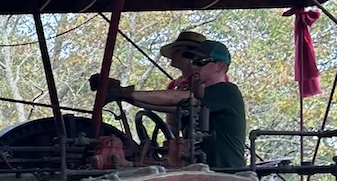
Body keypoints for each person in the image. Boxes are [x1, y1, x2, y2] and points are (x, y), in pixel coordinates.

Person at [95, 35, 248, 171]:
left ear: (220, 66)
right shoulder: (196, 96)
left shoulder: (226, 91)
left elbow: (175, 98)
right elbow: (168, 106)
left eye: (201, 62)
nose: (194, 66)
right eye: (194, 61)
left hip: (226, 171)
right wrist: (126, 97)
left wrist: (126, 93)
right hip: (203, 170)